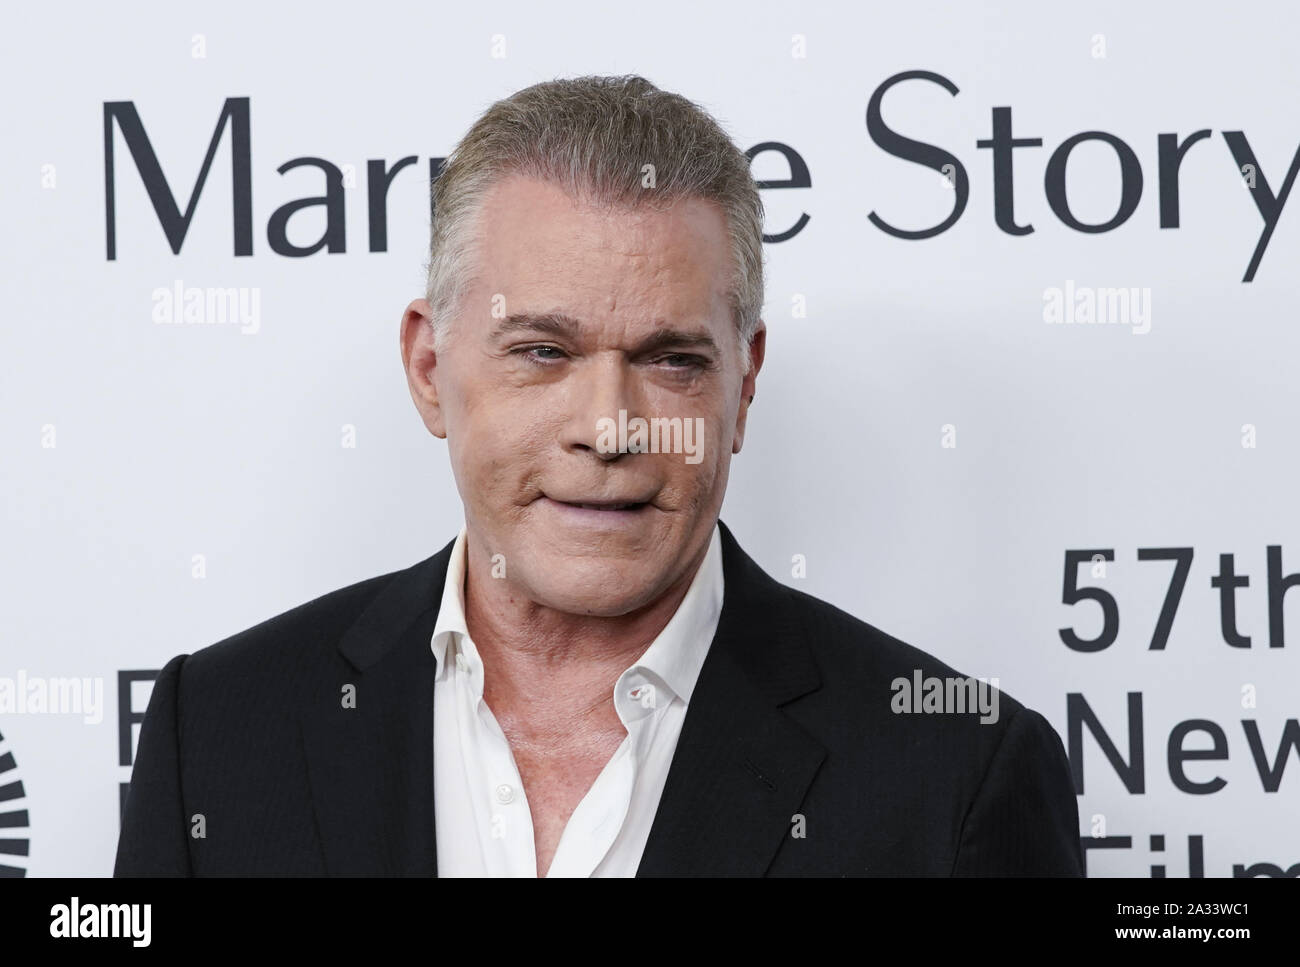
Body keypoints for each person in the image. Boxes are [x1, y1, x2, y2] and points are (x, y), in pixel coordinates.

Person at [115, 74, 1082, 877]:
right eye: (541, 352)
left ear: (742, 387)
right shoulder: (220, 733)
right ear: (429, 372)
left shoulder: (957, 774)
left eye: (672, 361)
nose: (608, 429)